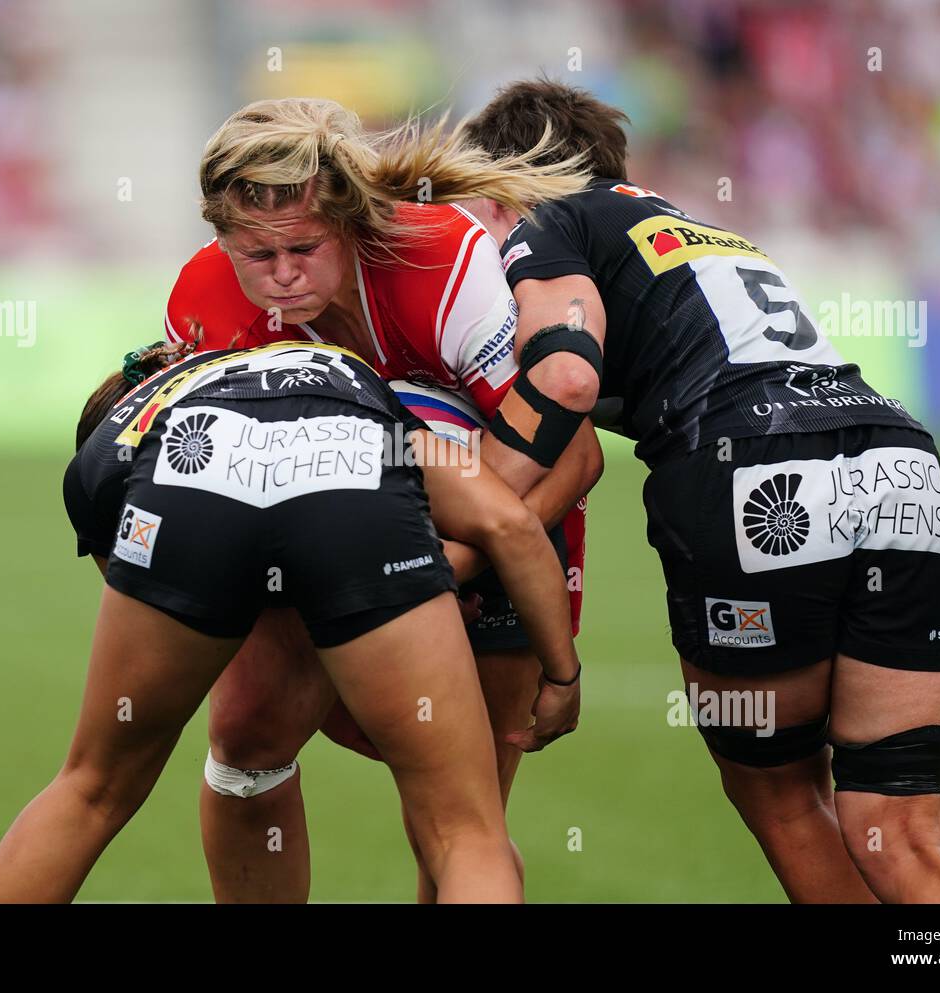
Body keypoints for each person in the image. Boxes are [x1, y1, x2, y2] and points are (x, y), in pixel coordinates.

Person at [460, 78, 940, 904]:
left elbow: (564, 374)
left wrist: (453, 524)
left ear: (509, 180)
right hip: (901, 460)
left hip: (755, 474)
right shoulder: (702, 230)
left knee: (783, 793)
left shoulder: (545, 218)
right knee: (908, 838)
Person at [163, 97, 603, 902]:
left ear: (350, 224)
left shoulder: (437, 257)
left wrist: (451, 567)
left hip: (488, 525)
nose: (283, 274)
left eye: (303, 246)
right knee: (243, 741)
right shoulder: (202, 301)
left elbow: (575, 454)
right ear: (218, 238)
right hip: (333, 542)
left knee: (458, 826)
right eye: (253, 253)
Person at [0, 339, 582, 904]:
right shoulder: (341, 377)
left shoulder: (107, 451)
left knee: (91, 789)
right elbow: (510, 526)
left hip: (179, 480)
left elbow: (171, 601)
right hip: (348, 461)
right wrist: (560, 675)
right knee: (465, 832)